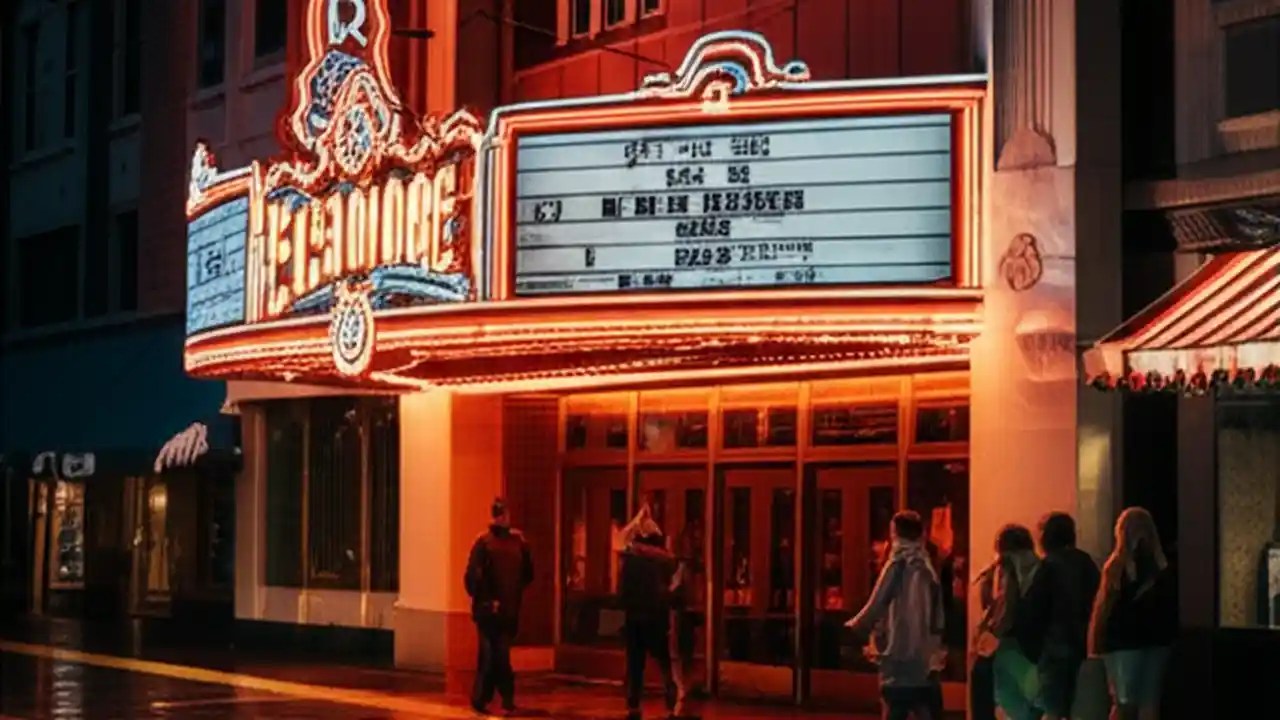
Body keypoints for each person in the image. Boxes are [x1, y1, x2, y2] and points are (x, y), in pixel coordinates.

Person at [845, 510, 946, 720]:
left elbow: (877, 603)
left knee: (895, 708)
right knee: (925, 706)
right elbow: (938, 613)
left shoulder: (897, 564)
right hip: (924, 658)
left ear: (895, 533)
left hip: (898, 655)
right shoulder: (927, 566)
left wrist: (856, 627)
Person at [1089, 507, 1176, 720]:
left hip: (1122, 643)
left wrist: (1094, 642)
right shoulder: (1162, 566)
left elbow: (1105, 609)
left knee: (1123, 704)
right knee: (1149, 704)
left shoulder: (1117, 566)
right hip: (1157, 640)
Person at [1017, 512, 1101, 720]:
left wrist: (1032, 648)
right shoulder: (1085, 562)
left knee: (1052, 709)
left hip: (1053, 647)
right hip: (1082, 646)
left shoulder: (1048, 567)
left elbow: (1032, 609)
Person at [464, 498, 533, 716]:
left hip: (496, 610)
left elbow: (472, 578)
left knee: (494, 655)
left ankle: (490, 698)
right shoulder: (507, 543)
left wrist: (487, 598)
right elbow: (527, 575)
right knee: (494, 655)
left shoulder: (489, 543)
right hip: (499, 610)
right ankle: (497, 698)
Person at [619, 506, 679, 720]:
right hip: (656, 618)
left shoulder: (631, 560)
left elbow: (623, 591)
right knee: (663, 661)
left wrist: (637, 519)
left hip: (635, 618)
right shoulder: (665, 561)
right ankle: (671, 699)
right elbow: (669, 590)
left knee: (636, 663)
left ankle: (634, 703)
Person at [987, 524, 1042, 720]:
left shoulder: (1007, 567)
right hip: (1038, 650)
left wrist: (992, 631)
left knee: (1012, 704)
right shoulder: (1041, 566)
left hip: (1012, 646)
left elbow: (1006, 606)